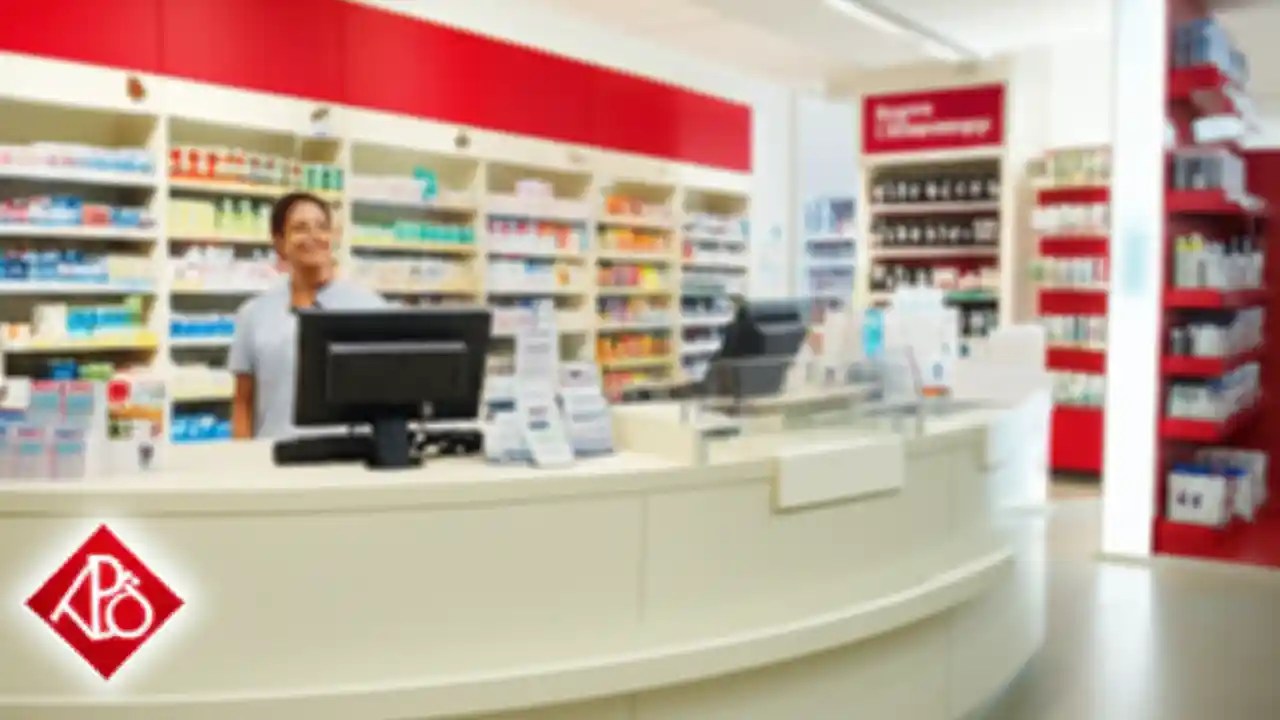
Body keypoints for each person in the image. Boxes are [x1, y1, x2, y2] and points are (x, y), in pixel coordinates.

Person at [229, 192, 384, 439]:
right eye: (300, 228)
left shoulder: (370, 308)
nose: (314, 236)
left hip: (348, 459)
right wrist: (242, 466)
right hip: (274, 459)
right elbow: (242, 404)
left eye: (322, 227)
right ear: (280, 243)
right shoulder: (254, 314)